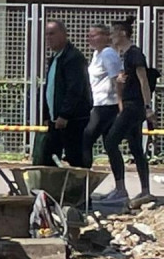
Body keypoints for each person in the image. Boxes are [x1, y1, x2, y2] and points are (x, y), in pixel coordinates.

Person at [102, 20, 153, 205]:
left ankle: (120, 188)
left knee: (110, 142)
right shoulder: (124, 55)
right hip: (130, 105)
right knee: (136, 148)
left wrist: (148, 107)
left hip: (135, 106)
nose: (111, 37)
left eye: (114, 33)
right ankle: (145, 190)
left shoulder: (135, 53)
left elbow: (143, 80)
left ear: (123, 33)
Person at [35, 19, 93, 169]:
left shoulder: (73, 57)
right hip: (56, 120)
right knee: (48, 157)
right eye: (47, 34)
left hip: (73, 120)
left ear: (63, 34)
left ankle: (79, 190)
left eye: (52, 34)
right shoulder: (55, 58)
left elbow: (75, 89)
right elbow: (51, 88)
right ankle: (49, 190)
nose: (48, 38)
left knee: (76, 157)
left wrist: (65, 115)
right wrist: (47, 116)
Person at [83, 24, 122, 170]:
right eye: (89, 35)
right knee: (110, 145)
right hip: (98, 103)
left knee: (86, 139)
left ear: (106, 37)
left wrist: (120, 105)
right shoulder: (96, 54)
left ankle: (84, 178)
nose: (90, 38)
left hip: (106, 105)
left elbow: (116, 80)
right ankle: (120, 186)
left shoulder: (108, 54)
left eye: (94, 35)